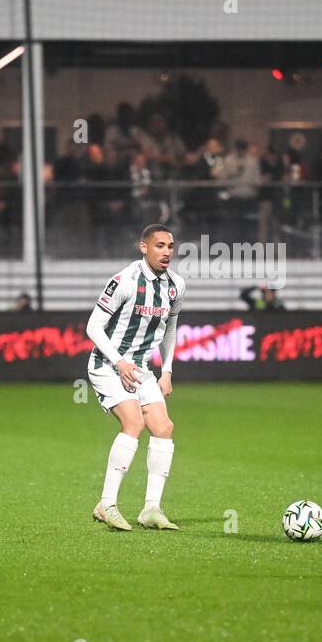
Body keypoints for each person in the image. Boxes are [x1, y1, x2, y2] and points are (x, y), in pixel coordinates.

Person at [85, 224, 186, 533]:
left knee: (163, 427)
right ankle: (106, 503)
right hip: (107, 365)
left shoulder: (175, 286)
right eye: (159, 245)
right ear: (143, 247)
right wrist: (119, 362)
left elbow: (170, 330)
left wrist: (166, 370)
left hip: (141, 368)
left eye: (170, 245)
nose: (167, 251)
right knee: (134, 422)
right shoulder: (125, 281)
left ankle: (151, 509)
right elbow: (93, 327)